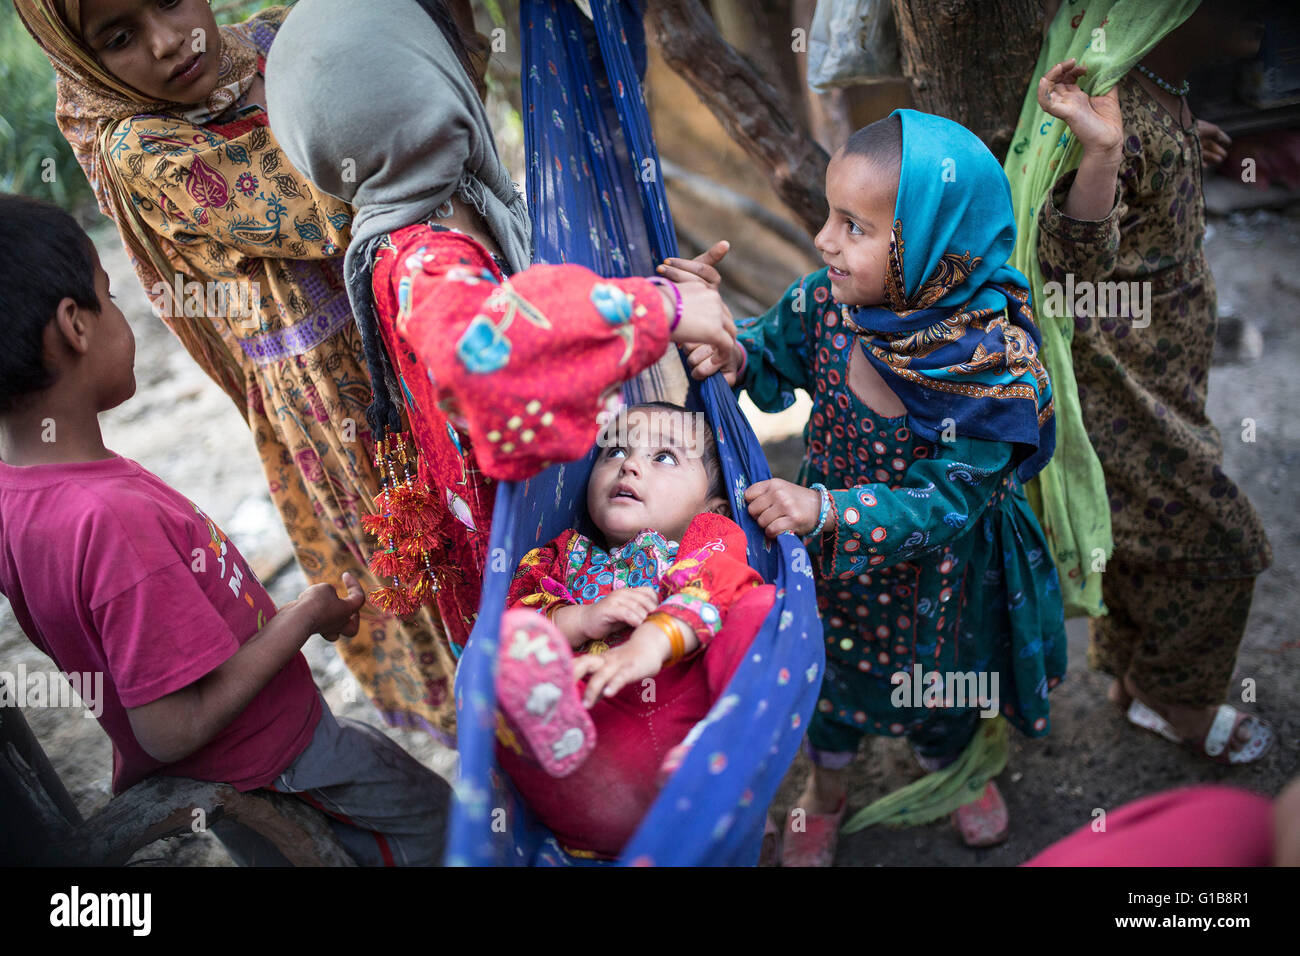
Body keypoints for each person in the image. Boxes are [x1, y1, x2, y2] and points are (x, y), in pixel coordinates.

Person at [12, 0, 460, 739]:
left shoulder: (278, 34)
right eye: (118, 38)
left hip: (428, 320)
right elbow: (328, 204)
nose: (165, 43)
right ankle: (506, 741)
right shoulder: (146, 151)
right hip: (339, 394)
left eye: (168, 0)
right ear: (82, 59)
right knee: (426, 549)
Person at [263, 0, 737, 648]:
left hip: (543, 550)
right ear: (424, 82)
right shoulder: (422, 257)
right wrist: (661, 310)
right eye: (457, 28)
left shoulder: (458, 200)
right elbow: (493, 350)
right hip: (523, 596)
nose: (480, 34)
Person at [0, 195, 450, 866]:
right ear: (74, 326)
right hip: (275, 764)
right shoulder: (111, 520)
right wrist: (304, 615)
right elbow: (170, 727)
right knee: (444, 826)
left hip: (241, 779)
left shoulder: (19, 496)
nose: (125, 313)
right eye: (111, 296)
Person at [682, 111, 1067, 865]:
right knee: (832, 673)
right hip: (837, 571)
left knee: (942, 680)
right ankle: (827, 789)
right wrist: (729, 349)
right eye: (831, 215)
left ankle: (949, 767)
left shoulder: (988, 366)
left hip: (946, 577)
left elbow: (949, 499)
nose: (825, 239)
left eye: (854, 226)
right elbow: (768, 356)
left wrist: (827, 509)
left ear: (935, 243)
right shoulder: (827, 306)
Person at [1029, 0, 1273, 763]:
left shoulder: (1158, 88)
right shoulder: (1106, 110)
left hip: (1163, 375)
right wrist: (1104, 157)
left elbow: (1136, 180)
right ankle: (1180, 700)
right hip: (1119, 386)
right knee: (1221, 543)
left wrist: (1175, 138)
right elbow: (1069, 265)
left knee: (1137, 532)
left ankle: (1133, 681)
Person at [492, 403, 771, 858]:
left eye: (664, 457)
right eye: (615, 450)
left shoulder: (704, 536)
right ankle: (557, 740)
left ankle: (715, 742)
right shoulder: (559, 556)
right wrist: (578, 619)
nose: (631, 464)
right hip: (595, 745)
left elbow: (717, 580)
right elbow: (514, 615)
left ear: (710, 502)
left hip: (683, 708)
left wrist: (653, 640)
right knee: (493, 663)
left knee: (758, 605)